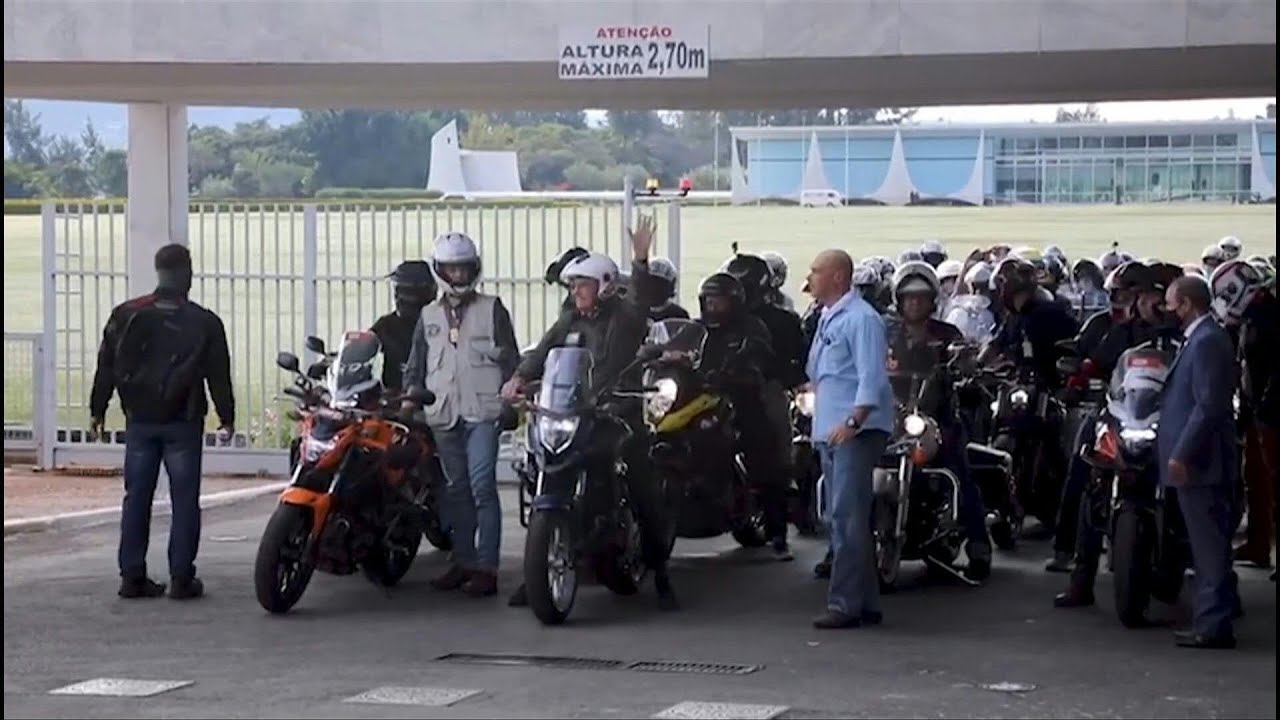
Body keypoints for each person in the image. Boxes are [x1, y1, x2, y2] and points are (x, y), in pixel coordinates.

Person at [501, 249, 678, 611]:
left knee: (643, 488)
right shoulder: (571, 319)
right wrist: (520, 377)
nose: (576, 292)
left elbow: (641, 300)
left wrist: (640, 261)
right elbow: (545, 349)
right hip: (575, 410)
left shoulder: (626, 318)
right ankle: (536, 573)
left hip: (619, 413)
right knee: (538, 468)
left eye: (583, 285)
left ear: (606, 287)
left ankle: (660, 571)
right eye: (574, 285)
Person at [89, 243, 234, 600]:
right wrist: (227, 416)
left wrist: (98, 409)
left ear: (158, 271)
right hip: (183, 421)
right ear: (188, 272)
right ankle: (182, 578)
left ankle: (132, 575)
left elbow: (106, 365)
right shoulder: (204, 321)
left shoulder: (125, 314)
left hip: (139, 419)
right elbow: (218, 374)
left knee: (136, 496)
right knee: (185, 500)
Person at [403, 232, 519, 598]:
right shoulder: (429, 315)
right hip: (443, 412)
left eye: (463, 267)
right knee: (456, 490)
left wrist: (511, 403)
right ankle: (464, 561)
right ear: (440, 270)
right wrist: (409, 403)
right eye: (451, 268)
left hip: (483, 411)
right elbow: (416, 363)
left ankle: (487, 567)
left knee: (483, 485)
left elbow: (511, 360)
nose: (458, 274)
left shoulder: (493, 308)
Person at [1050, 262, 1181, 579]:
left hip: (1165, 417)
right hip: (1118, 413)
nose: (1146, 303)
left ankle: (1190, 561)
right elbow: (1097, 361)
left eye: (1152, 296)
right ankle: (1077, 567)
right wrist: (1078, 378)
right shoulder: (1119, 329)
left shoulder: (1181, 334)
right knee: (1085, 470)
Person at [805, 249, 895, 629]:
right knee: (844, 516)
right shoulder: (829, 317)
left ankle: (844, 603)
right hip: (830, 428)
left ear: (839, 277)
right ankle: (866, 603)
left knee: (847, 517)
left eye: (816, 271)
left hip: (852, 432)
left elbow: (871, 375)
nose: (809, 278)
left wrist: (854, 420)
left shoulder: (862, 319)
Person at [886, 261, 992, 580]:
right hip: (892, 418)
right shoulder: (887, 334)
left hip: (937, 418)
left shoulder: (947, 333)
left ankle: (978, 546)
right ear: (899, 300)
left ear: (932, 300)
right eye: (908, 297)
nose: (914, 303)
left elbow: (967, 363)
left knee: (959, 471)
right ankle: (839, 548)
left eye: (920, 297)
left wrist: (965, 363)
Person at [1158, 276, 1240, 649]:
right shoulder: (1203, 338)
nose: (1167, 310)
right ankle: (1218, 613)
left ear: (1187, 304)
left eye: (1171, 303)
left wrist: (1181, 453)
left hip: (1202, 463)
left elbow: (1207, 407)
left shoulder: (1206, 342)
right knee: (1209, 544)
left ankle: (1212, 625)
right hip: (1201, 462)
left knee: (1209, 547)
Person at [1207, 260, 1276, 569]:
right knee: (1255, 479)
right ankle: (1259, 545)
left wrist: (1264, 407)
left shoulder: (1269, 318)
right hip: (1255, 408)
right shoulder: (1252, 318)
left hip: (1271, 411)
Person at [370, 260, 438, 391]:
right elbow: (362, 348)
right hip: (389, 401)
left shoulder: (438, 325)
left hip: (428, 402)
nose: (398, 296)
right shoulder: (385, 325)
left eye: (402, 290)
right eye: (398, 290)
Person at [632, 255, 690, 321]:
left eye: (658, 284)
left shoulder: (679, 315)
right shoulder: (635, 312)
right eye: (650, 283)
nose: (653, 289)